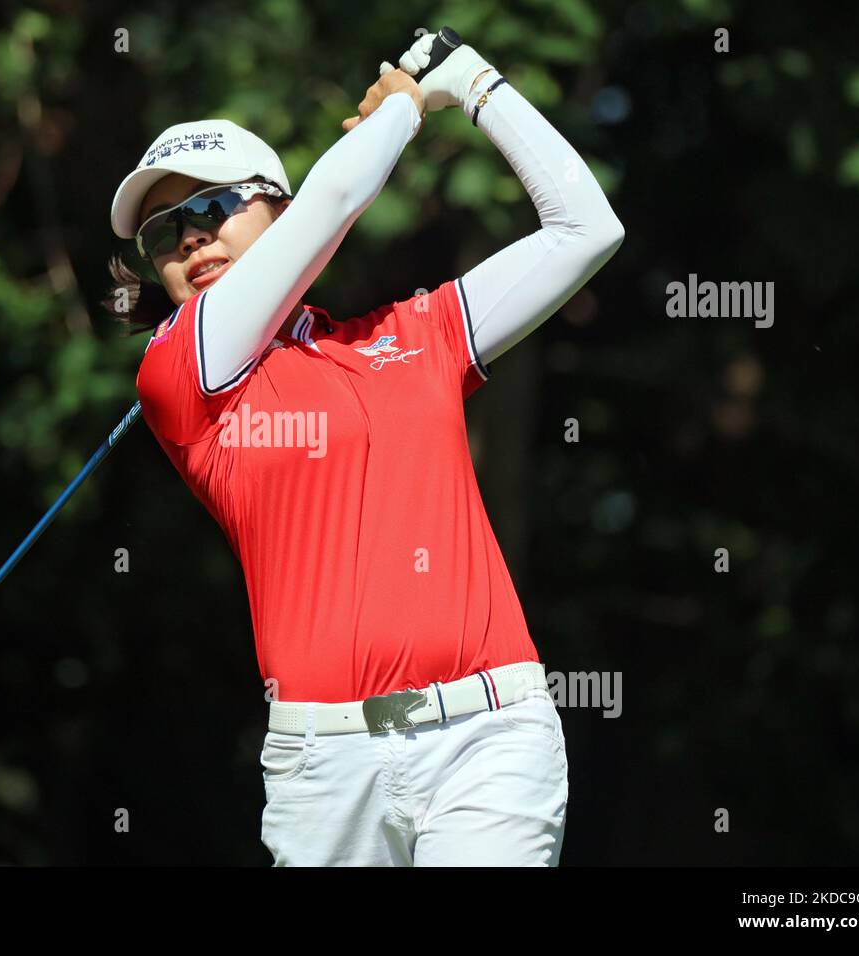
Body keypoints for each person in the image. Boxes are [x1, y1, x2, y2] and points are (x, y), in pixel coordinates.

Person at [104, 31, 623, 866]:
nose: (191, 241)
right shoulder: (177, 376)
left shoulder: (415, 335)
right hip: (324, 765)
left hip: (492, 737)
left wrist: (474, 84)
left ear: (274, 206)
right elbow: (337, 194)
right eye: (164, 234)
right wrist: (403, 112)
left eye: (210, 209)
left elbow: (585, 229)